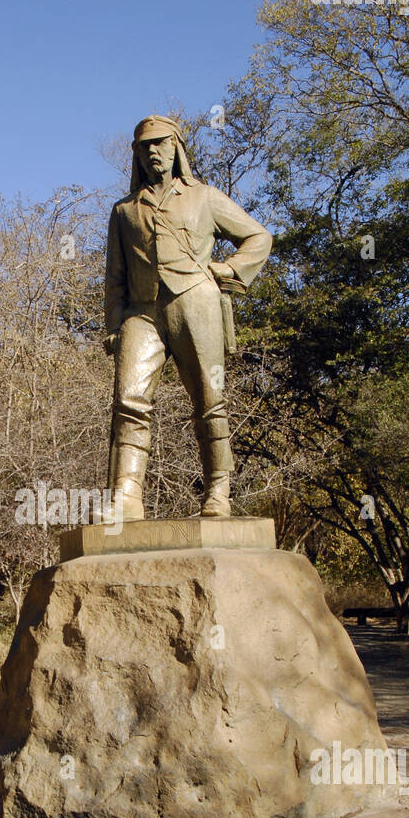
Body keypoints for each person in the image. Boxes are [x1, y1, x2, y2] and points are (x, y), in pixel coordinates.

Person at [104, 114, 272, 519]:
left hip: (195, 304)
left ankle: (218, 491)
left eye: (160, 143)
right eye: (144, 146)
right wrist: (113, 325)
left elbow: (259, 236)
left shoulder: (205, 197)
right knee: (129, 400)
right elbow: (115, 277)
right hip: (142, 314)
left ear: (177, 146)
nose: (152, 152)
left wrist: (228, 270)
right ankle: (126, 494)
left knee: (210, 400)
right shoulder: (125, 211)